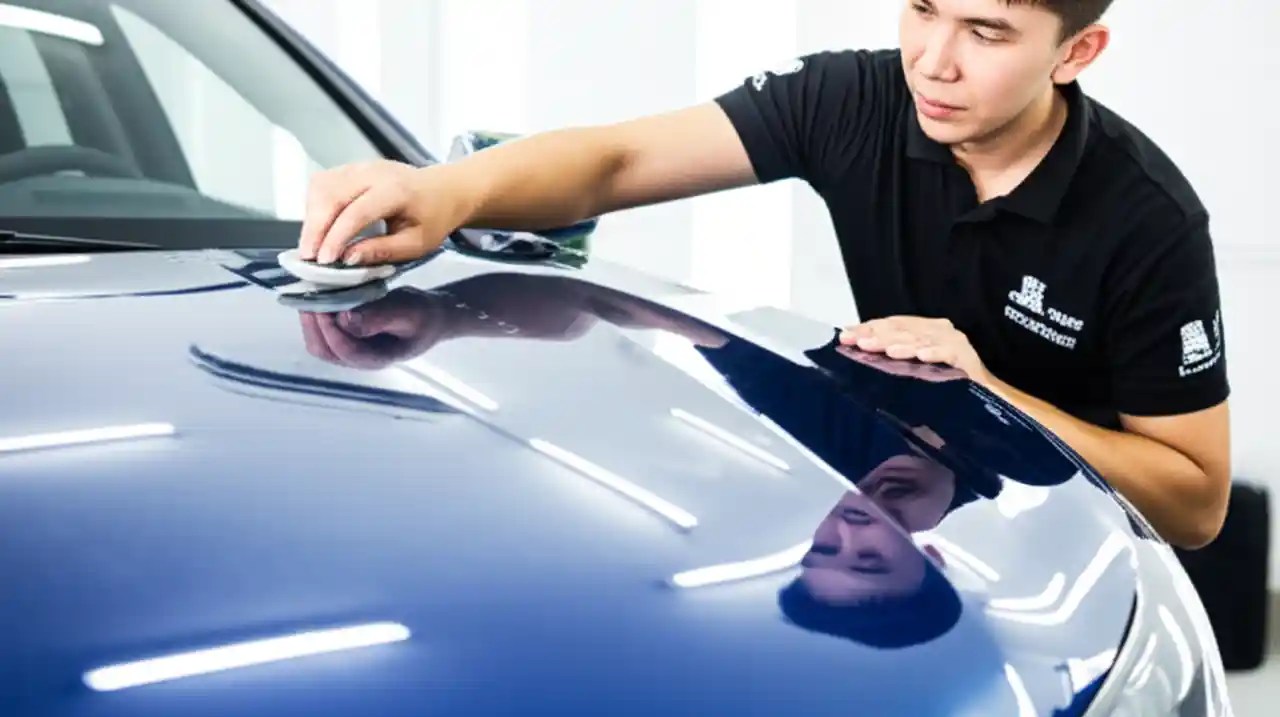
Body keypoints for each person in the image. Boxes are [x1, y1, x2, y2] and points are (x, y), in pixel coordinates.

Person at [293, 0, 1230, 549]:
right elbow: (617, 161)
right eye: (921, 7)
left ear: (1076, 51)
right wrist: (447, 192)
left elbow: (1193, 502)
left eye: (986, 33)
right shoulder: (851, 98)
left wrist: (989, 387)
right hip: (898, 503)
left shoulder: (1146, 219)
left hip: (1060, 550)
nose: (932, 62)